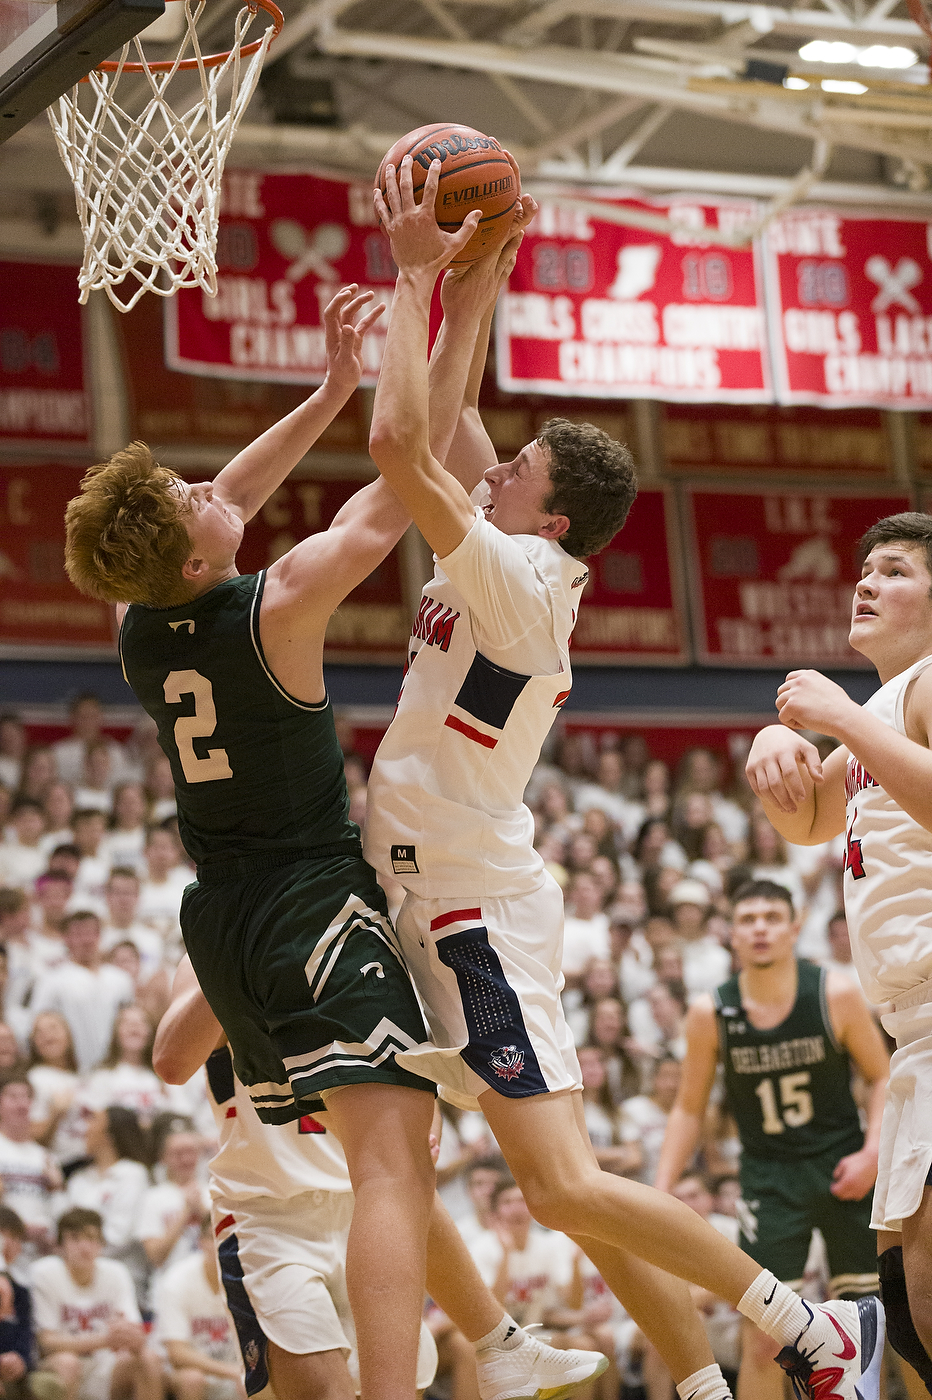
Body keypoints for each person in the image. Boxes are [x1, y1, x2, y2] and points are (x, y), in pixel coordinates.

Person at [363, 153, 886, 1400]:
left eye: (515, 469)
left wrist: (413, 280)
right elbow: (442, 431)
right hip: (431, 887)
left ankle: (792, 1319)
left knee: (561, 1186)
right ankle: (699, 1383)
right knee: (570, 1193)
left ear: (545, 519)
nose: (492, 468)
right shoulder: (513, 548)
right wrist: (481, 271)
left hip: (466, 908)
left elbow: (397, 444)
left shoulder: (520, 576)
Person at [63, 277, 596, 1400]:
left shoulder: (136, 621)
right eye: (193, 495)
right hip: (312, 902)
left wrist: (324, 389)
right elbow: (406, 471)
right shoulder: (283, 597)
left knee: (367, 1163)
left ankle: (491, 1346)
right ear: (201, 557)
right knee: (394, 1166)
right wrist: (413, 331)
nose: (216, 486)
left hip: (221, 917)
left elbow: (223, 502)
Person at [154, 955, 608, 1400]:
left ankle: (503, 1344)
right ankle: (503, 1342)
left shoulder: (352, 936)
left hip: (370, 1207)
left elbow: (408, 1061)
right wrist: (241, 946)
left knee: (396, 1387)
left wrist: (425, 1129)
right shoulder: (209, 953)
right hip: (269, 1212)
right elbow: (172, 1062)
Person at [745, 510, 932, 1395]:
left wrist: (836, 718)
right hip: (912, 1035)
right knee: (909, 1311)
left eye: (894, 571)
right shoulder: (879, 713)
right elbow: (805, 820)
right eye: (863, 567)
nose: (865, 580)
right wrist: (775, 741)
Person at [654, 879, 890, 1400]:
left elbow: (882, 1077)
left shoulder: (836, 993)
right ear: (731, 933)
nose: (760, 928)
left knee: (876, 1322)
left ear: (794, 927)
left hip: (843, 1166)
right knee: (765, 1337)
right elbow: (689, 1107)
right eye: (748, 919)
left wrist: (873, 1152)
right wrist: (662, 1188)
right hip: (768, 1179)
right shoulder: (710, 1012)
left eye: (771, 917)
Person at [30, 1208, 162, 1400]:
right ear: (60, 1245)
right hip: (57, 1364)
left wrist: (131, 1337)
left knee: (148, 1358)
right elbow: (46, 1343)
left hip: (104, 1366)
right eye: (75, 1239)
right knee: (68, 1363)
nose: (84, 1247)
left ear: (101, 1244)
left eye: (91, 1239)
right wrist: (106, 1340)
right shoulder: (44, 1273)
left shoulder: (116, 1272)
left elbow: (135, 1333)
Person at [153, 1216, 245, 1400]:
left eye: (229, 1240)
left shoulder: (247, 1279)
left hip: (235, 1371)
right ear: (201, 1242)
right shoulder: (177, 1280)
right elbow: (177, 1354)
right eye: (214, 1238)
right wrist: (232, 1372)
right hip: (190, 1373)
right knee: (192, 1379)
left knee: (256, 1382)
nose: (222, 1246)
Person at [29, 913, 134, 1074]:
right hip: (72, 1070)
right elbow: (40, 1025)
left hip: (115, 1070)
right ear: (65, 938)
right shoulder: (51, 980)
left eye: (91, 933)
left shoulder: (120, 979)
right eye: (78, 934)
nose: (86, 940)